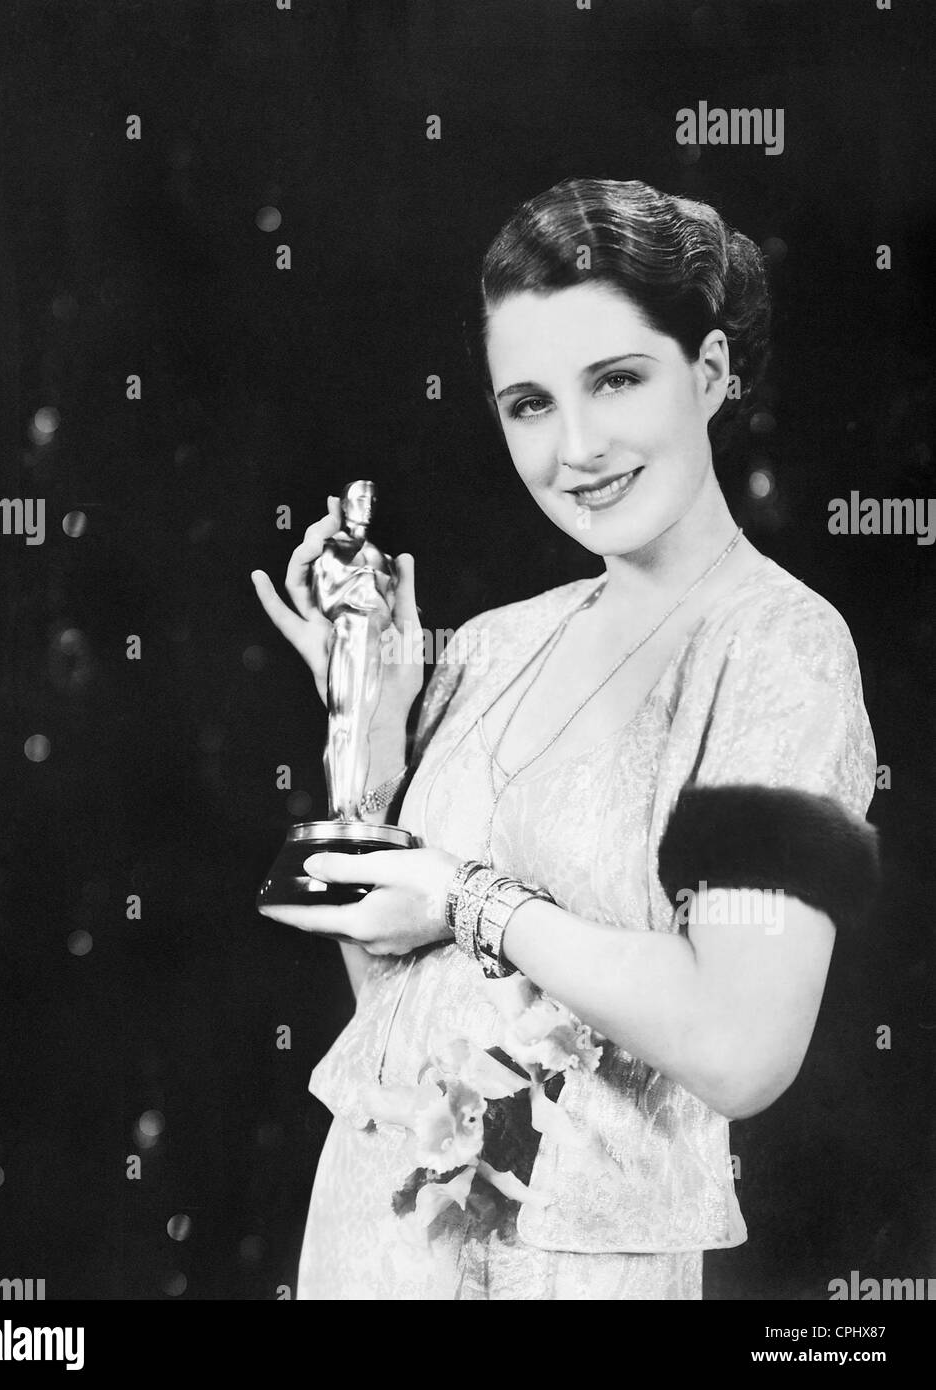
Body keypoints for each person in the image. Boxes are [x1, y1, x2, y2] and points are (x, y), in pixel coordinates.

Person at [251, 177, 879, 1300]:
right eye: (529, 404)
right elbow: (395, 1010)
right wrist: (371, 730)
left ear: (712, 372)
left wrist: (464, 896)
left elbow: (744, 1045)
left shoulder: (784, 650)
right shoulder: (490, 647)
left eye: (616, 380)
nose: (576, 447)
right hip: (369, 1239)